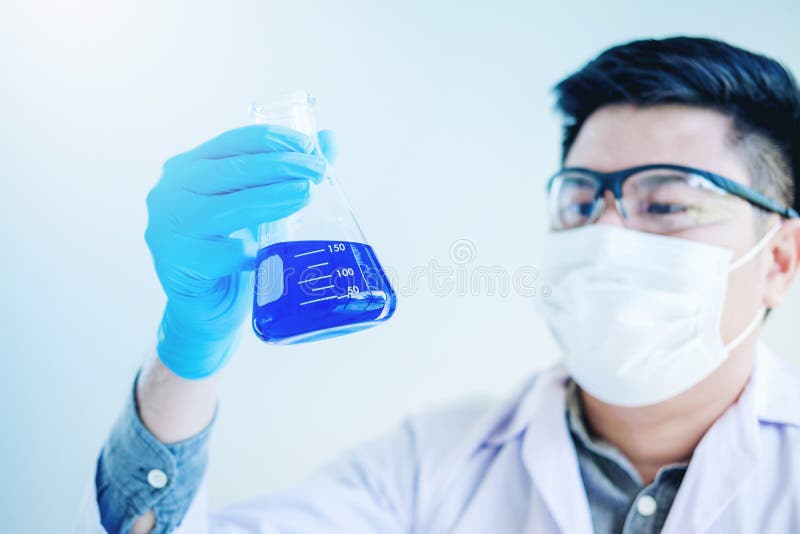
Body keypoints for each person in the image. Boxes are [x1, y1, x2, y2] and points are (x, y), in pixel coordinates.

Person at [77, 35, 800, 533]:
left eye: (667, 204)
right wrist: (188, 349)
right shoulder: (433, 462)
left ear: (780, 259)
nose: (607, 236)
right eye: (581, 200)